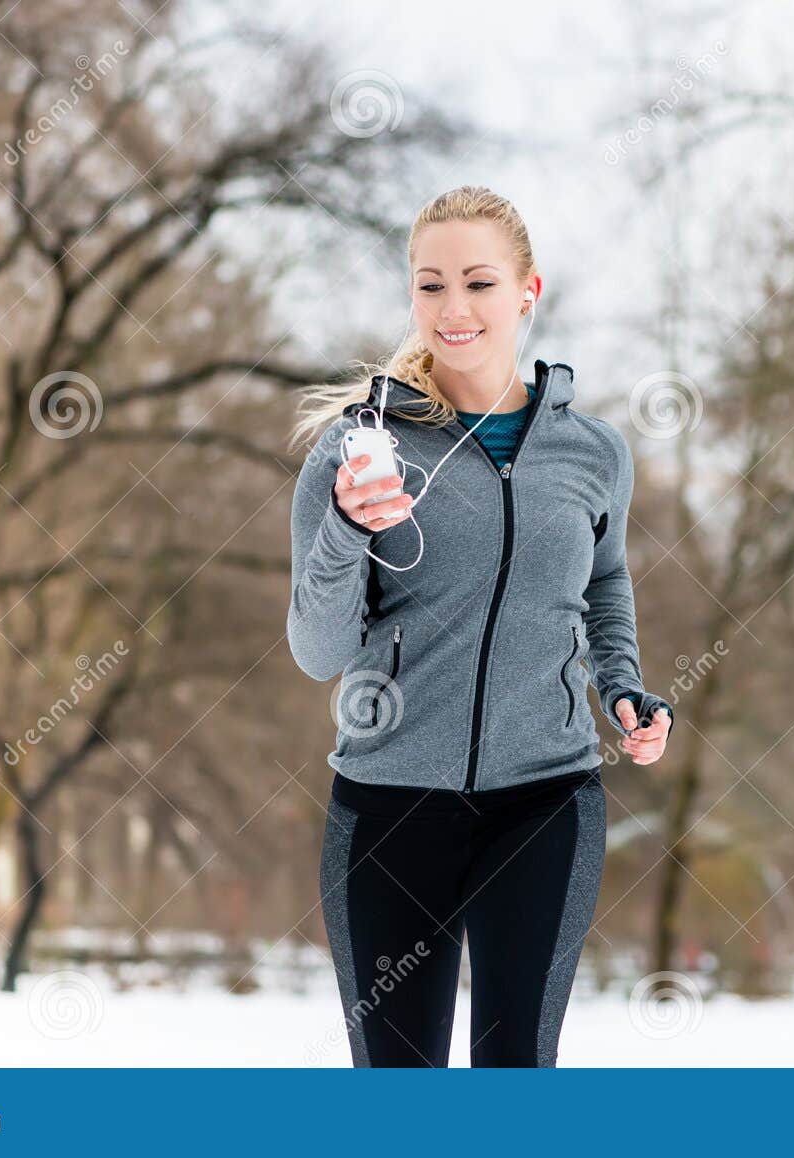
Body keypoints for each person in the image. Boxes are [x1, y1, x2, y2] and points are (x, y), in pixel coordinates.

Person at [285, 185, 674, 1067]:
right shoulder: (359, 447)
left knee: (514, 1086)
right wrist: (349, 527)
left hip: (545, 800)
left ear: (528, 293)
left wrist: (623, 689)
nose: (453, 309)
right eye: (430, 286)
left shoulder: (594, 453)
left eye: (479, 283)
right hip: (390, 804)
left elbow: (603, 579)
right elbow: (318, 651)